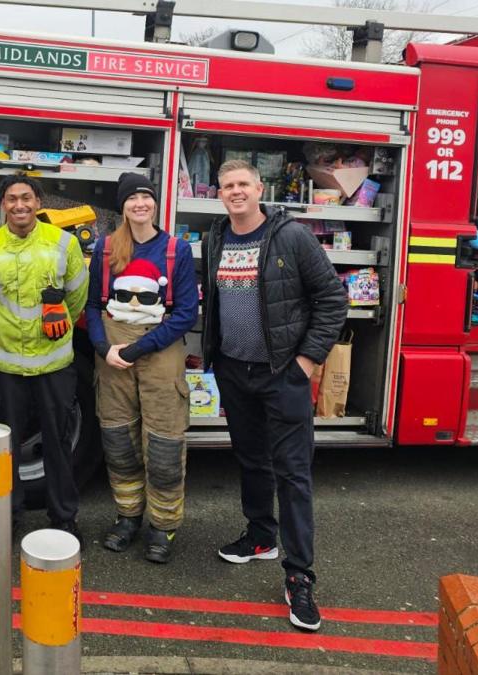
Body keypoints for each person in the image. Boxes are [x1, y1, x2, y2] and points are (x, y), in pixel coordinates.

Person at [201, 159, 346, 632]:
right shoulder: (215, 238)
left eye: (243, 184)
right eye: (228, 186)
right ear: (218, 193)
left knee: (294, 473)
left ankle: (299, 575)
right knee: (251, 460)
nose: (236, 192)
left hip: (282, 373)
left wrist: (306, 362)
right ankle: (262, 536)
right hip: (235, 372)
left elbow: (332, 299)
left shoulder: (291, 237)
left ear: (259, 188)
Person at [85, 173, 197, 564]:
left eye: (146, 197)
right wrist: (102, 346)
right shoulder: (105, 248)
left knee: (164, 446)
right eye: (132, 199)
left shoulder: (175, 250)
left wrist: (135, 349)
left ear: (155, 204)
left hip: (158, 351)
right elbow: (93, 307)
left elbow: (185, 314)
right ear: (123, 207)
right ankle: (128, 517)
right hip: (112, 355)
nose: (140, 204)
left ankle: (163, 526)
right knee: (118, 443)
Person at [0, 174, 89, 539]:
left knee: (58, 442)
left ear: (38, 202)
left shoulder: (63, 243)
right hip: (5, 366)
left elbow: (76, 297)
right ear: (2, 205)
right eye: (11, 199)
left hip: (54, 363)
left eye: (26, 197)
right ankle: (10, 515)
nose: (19, 205)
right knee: (6, 447)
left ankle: (63, 516)